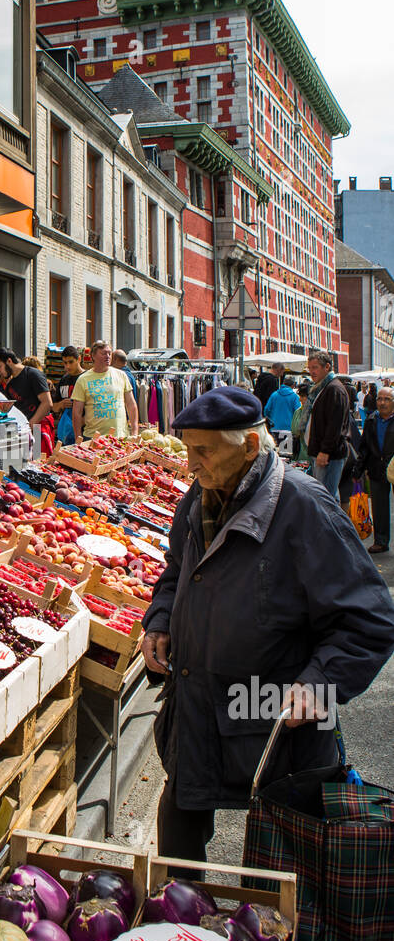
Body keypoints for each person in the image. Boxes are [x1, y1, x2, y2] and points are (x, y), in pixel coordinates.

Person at [139, 386, 394, 861]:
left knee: (279, 879)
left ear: (251, 446)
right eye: (188, 449)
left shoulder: (304, 506)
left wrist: (318, 684)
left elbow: (369, 619)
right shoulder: (198, 497)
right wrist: (160, 620)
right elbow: (177, 570)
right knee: (176, 861)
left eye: (203, 451)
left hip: (274, 721)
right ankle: (176, 927)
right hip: (196, 711)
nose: (190, 464)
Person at [301, 350, 351, 499]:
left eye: (315, 367)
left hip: (329, 455)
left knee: (326, 497)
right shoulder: (322, 388)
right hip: (321, 452)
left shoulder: (334, 389)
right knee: (328, 495)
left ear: (327, 367)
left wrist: (325, 451)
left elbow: (335, 425)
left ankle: (332, 523)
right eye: (310, 368)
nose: (311, 372)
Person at [71, 340, 137, 442]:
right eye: (103, 353)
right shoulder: (83, 379)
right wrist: (77, 438)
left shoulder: (121, 375)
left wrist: (135, 431)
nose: (108, 356)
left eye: (109, 353)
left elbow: (131, 405)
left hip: (120, 437)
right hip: (93, 438)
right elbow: (77, 412)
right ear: (93, 356)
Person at [0, 348, 55, 453]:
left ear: (9, 361)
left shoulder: (33, 374)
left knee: (39, 464)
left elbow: (47, 403)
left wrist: (30, 424)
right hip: (24, 432)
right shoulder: (10, 384)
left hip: (39, 429)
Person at [355, 385, 394, 553]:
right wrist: (358, 469)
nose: (382, 402)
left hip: (393, 468)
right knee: (379, 507)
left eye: (387, 399)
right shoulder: (371, 420)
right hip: (376, 468)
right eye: (380, 399)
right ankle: (381, 540)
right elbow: (364, 448)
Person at [52, 346, 83, 446]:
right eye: (65, 363)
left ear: (79, 359)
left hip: (84, 431)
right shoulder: (63, 380)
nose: (68, 366)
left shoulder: (87, 378)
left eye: (71, 362)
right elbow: (54, 407)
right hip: (66, 433)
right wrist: (61, 404)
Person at [112, 350, 140, 434]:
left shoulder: (122, 376)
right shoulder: (130, 375)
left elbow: (129, 403)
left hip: (124, 421)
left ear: (115, 360)